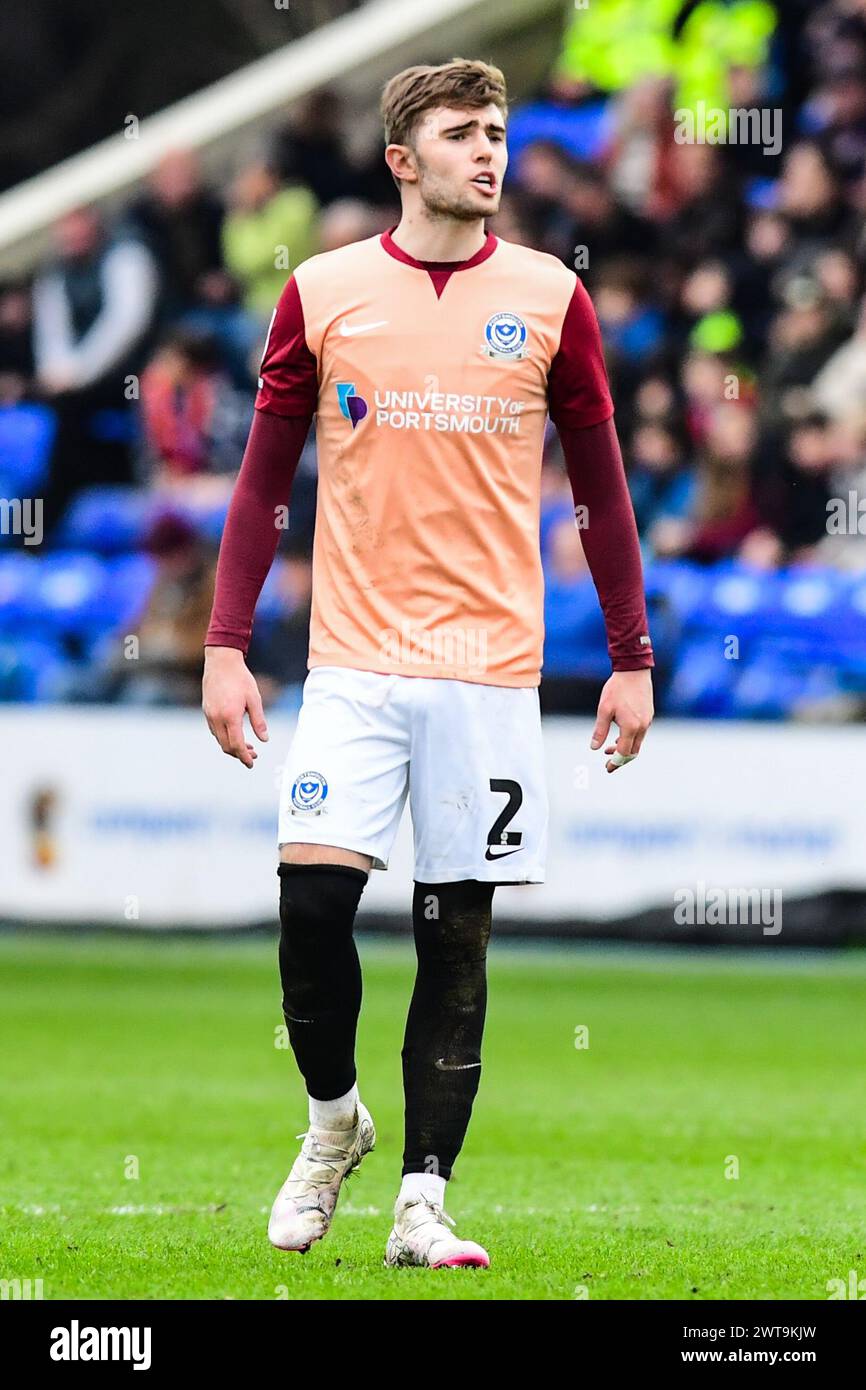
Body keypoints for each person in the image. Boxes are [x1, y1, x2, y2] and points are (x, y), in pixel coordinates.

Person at [202, 58, 654, 1271]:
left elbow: (601, 492)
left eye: (497, 132)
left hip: (489, 672)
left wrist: (630, 656)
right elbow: (260, 483)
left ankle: (422, 1199)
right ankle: (332, 1121)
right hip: (352, 662)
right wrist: (225, 644)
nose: (488, 152)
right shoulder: (322, 290)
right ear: (401, 158)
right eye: (461, 134)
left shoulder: (553, 297)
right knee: (309, 909)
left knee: (454, 934)